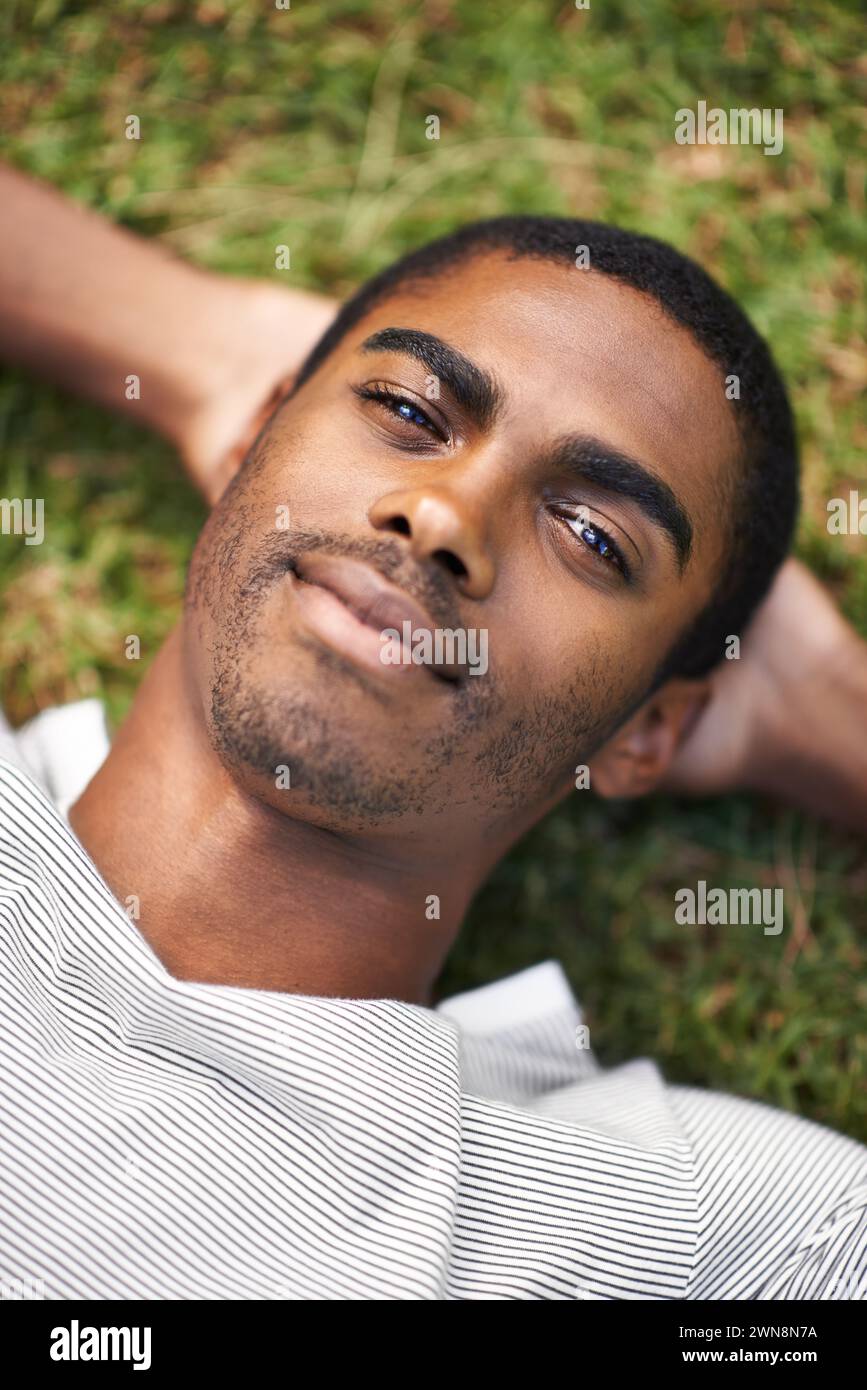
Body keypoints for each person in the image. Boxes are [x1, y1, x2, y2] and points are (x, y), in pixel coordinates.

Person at [0, 164, 864, 1301]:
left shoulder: (679, 1227)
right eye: (408, 412)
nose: (449, 513)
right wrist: (209, 351)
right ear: (256, 440)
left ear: (647, 734)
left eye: (595, 537)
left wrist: (831, 713)